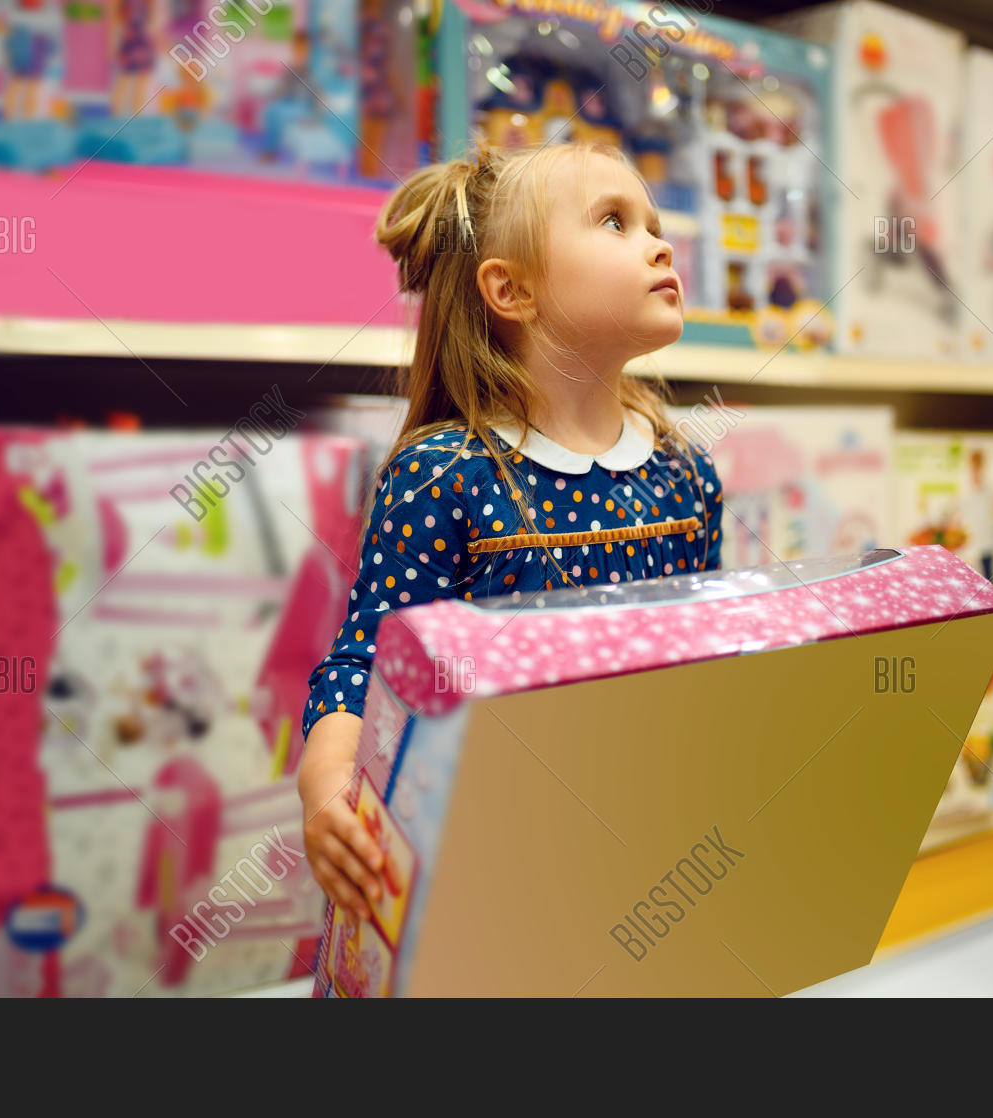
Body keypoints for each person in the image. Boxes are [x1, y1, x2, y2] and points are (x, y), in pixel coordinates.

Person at [298, 141, 725, 920]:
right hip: (478, 863)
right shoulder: (443, 477)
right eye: (614, 222)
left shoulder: (686, 475)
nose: (660, 244)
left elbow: (713, 662)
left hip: (640, 856)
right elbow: (369, 663)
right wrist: (326, 787)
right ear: (512, 290)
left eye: (654, 224)